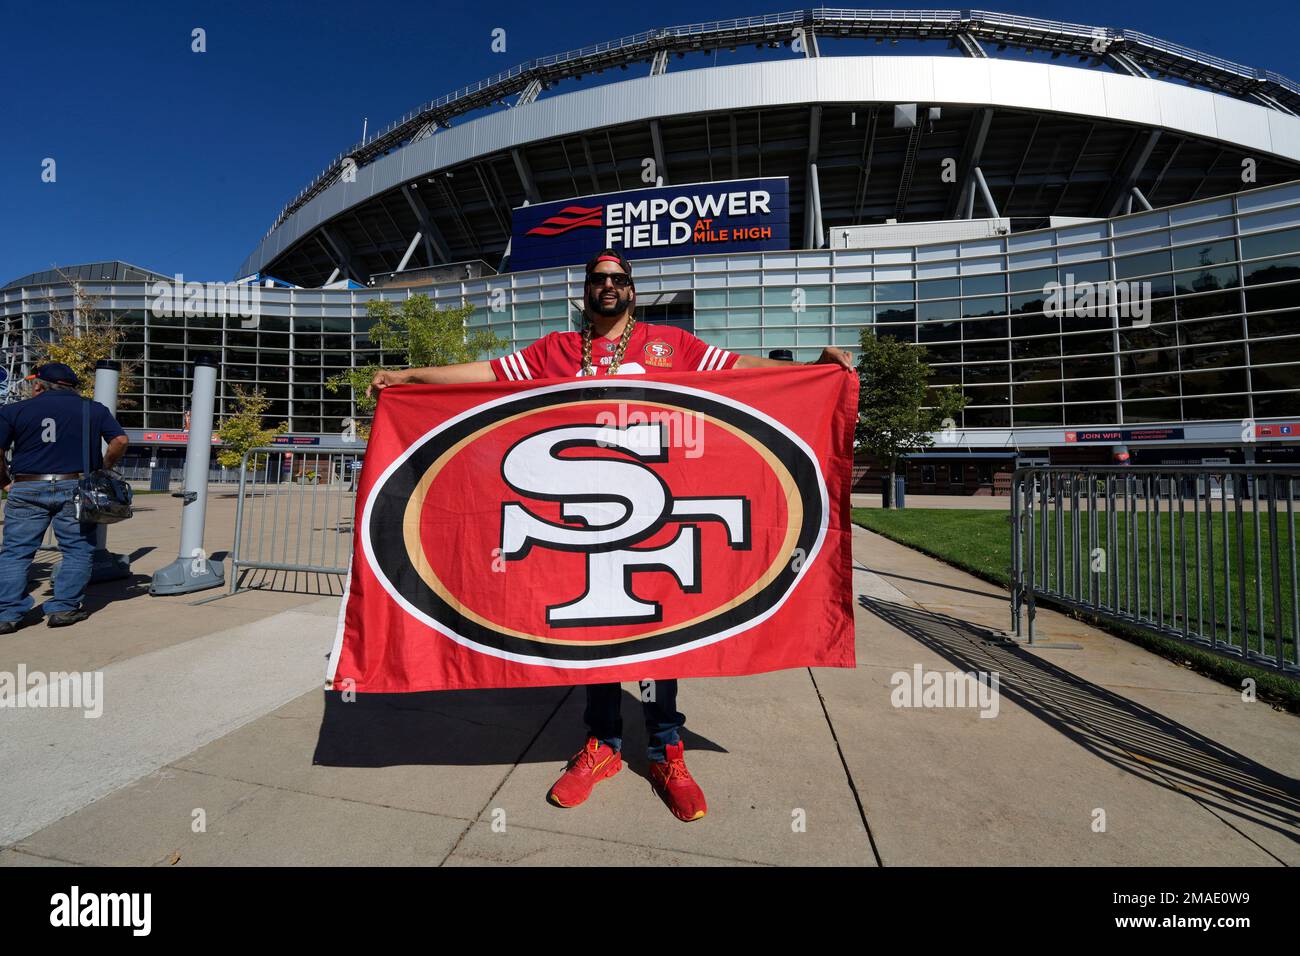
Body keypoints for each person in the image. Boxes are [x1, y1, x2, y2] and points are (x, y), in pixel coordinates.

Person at [370, 249, 852, 822]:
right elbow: (488, 374)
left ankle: (665, 747)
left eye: (617, 279)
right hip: (582, 521)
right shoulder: (557, 351)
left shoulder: (670, 346)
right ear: (586, 291)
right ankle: (601, 745)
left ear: (631, 289)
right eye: (597, 279)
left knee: (663, 636)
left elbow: (738, 370)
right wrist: (409, 376)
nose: (607, 286)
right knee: (592, 640)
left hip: (657, 515)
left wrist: (813, 370)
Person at [0, 363, 129, 634]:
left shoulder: (14, 410)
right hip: (75, 485)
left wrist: (4, 482)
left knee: (16, 552)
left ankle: (8, 613)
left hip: (27, 485)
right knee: (77, 549)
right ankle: (64, 608)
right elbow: (120, 440)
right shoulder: (92, 409)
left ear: (39, 385)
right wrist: (104, 468)